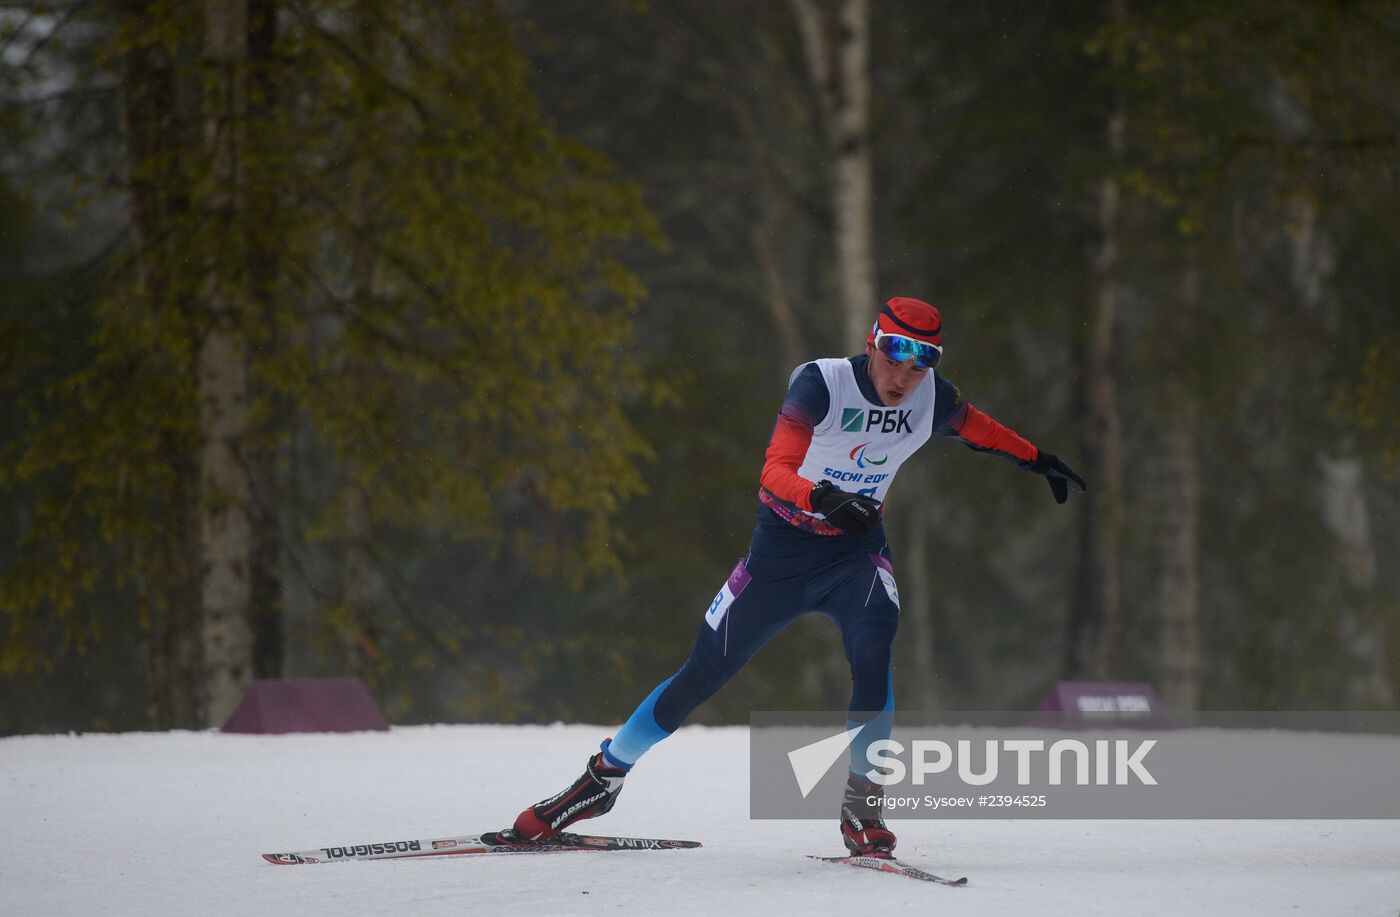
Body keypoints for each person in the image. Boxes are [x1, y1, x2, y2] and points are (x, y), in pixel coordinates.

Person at [504, 296, 1086, 856]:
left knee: (873, 647)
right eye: (894, 353)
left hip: (855, 555)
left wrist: (1036, 458)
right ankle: (602, 780)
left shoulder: (932, 397)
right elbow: (775, 470)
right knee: (701, 675)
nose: (904, 375)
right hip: (779, 555)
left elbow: (980, 428)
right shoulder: (821, 383)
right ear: (872, 344)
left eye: (922, 361)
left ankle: (863, 805)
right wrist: (821, 495)